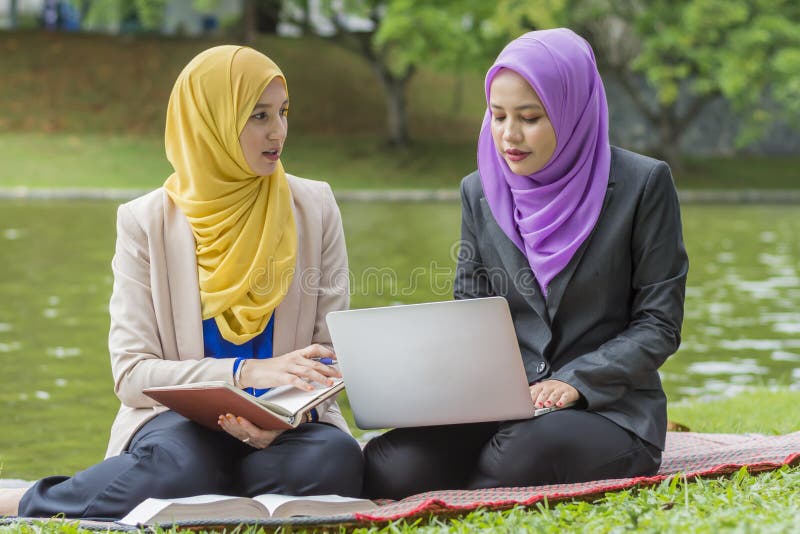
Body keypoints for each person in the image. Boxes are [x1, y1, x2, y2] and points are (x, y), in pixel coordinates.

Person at [0, 45, 363, 520]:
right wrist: (245, 374)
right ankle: (30, 498)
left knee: (333, 463)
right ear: (208, 123)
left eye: (283, 112)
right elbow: (132, 375)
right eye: (258, 116)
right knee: (179, 468)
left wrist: (284, 417)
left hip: (290, 426)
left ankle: (225, 486)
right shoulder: (145, 222)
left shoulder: (314, 207)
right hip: (179, 425)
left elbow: (330, 354)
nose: (278, 132)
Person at [362, 28, 688, 499]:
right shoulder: (479, 191)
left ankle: (478, 475)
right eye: (497, 116)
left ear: (573, 112)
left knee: (512, 454)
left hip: (607, 409)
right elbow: (470, 311)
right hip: (503, 407)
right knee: (390, 463)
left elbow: (659, 324)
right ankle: (476, 471)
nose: (509, 135)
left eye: (530, 118)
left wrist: (574, 382)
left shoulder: (643, 185)